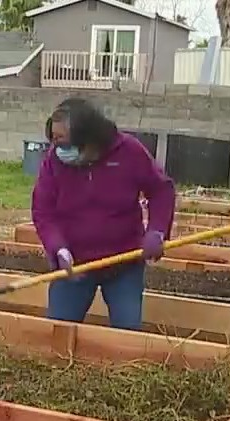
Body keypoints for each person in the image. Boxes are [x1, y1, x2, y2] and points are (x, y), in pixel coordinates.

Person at [31, 97, 176, 330]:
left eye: (65, 143)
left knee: (127, 334)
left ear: (89, 139)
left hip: (123, 262)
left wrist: (157, 230)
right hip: (75, 265)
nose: (59, 150)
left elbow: (161, 189)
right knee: (58, 332)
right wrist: (58, 248)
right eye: (54, 141)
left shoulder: (128, 151)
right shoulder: (54, 162)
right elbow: (43, 211)